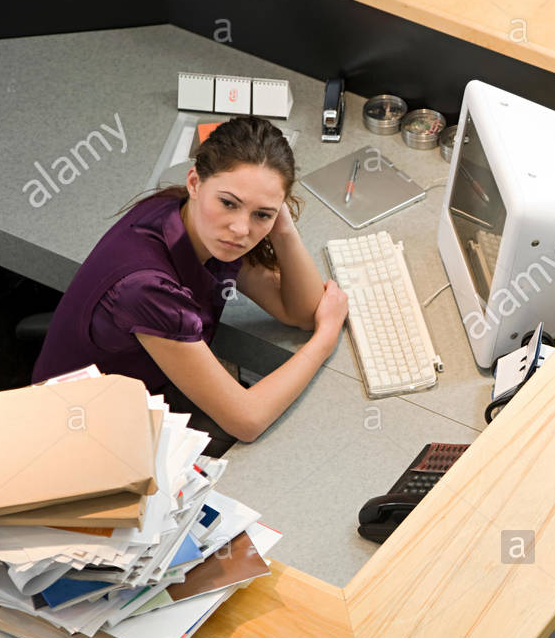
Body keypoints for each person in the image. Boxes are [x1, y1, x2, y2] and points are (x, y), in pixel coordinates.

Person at [33, 115, 348, 445]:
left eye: (262, 214)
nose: (241, 229)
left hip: (144, 395)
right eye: (229, 203)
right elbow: (247, 420)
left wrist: (282, 228)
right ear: (195, 183)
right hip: (77, 433)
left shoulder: (190, 216)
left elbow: (300, 311)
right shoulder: (147, 289)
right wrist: (325, 340)